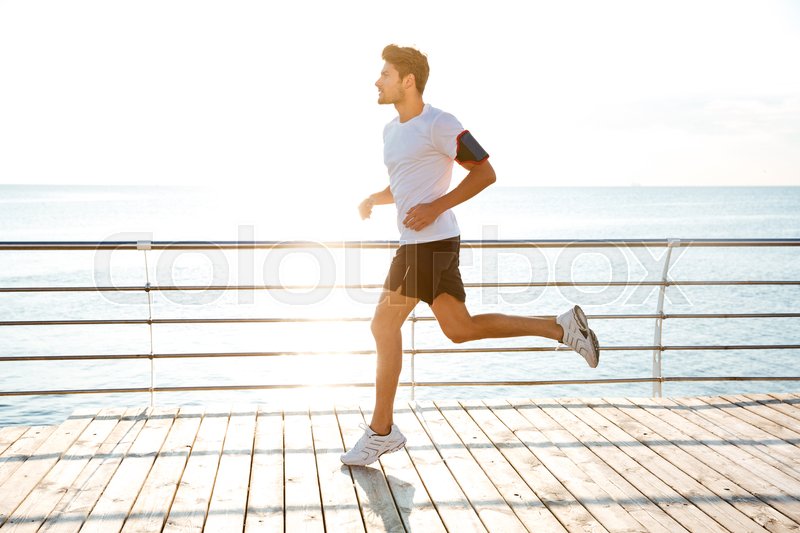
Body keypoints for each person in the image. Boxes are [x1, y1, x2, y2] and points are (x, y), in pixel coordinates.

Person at [340, 44, 600, 466]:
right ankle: (561, 328)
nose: (377, 80)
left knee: (382, 325)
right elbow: (407, 185)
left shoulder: (440, 123)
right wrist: (375, 198)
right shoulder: (391, 131)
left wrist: (435, 207)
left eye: (385, 74)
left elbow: (485, 172)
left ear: (408, 80)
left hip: (430, 245)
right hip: (421, 243)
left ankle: (381, 430)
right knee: (458, 329)